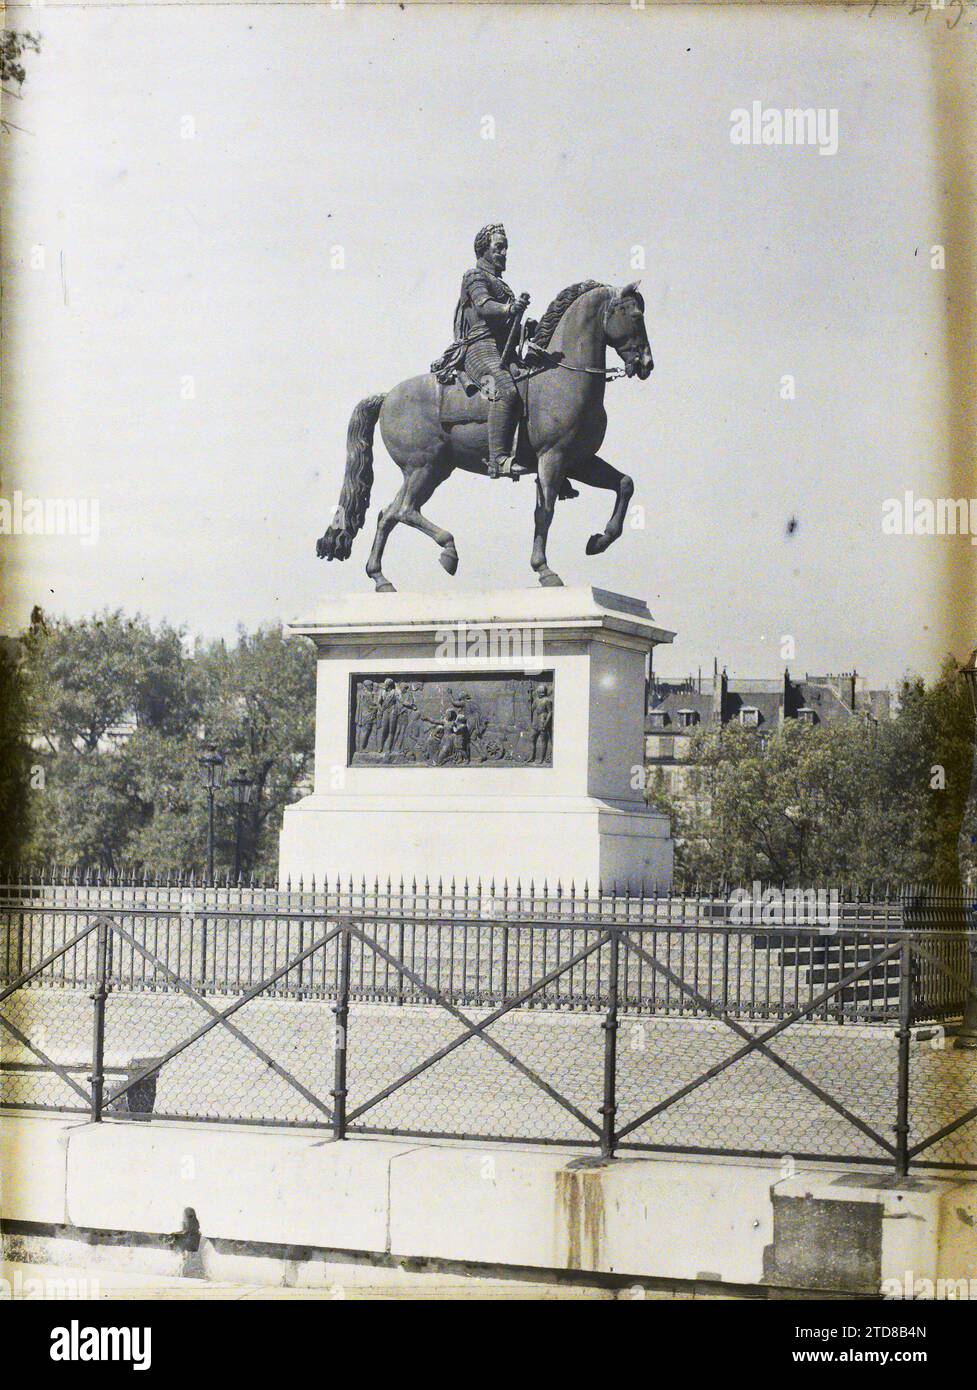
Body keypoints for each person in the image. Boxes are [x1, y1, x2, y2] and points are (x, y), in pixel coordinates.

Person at [453, 223, 531, 480]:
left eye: (505, 247)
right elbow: (485, 307)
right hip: (479, 348)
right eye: (499, 247)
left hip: (504, 351)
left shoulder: (502, 284)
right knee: (506, 391)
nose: (504, 252)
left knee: (535, 387)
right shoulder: (474, 276)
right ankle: (498, 459)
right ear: (483, 250)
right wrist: (510, 309)